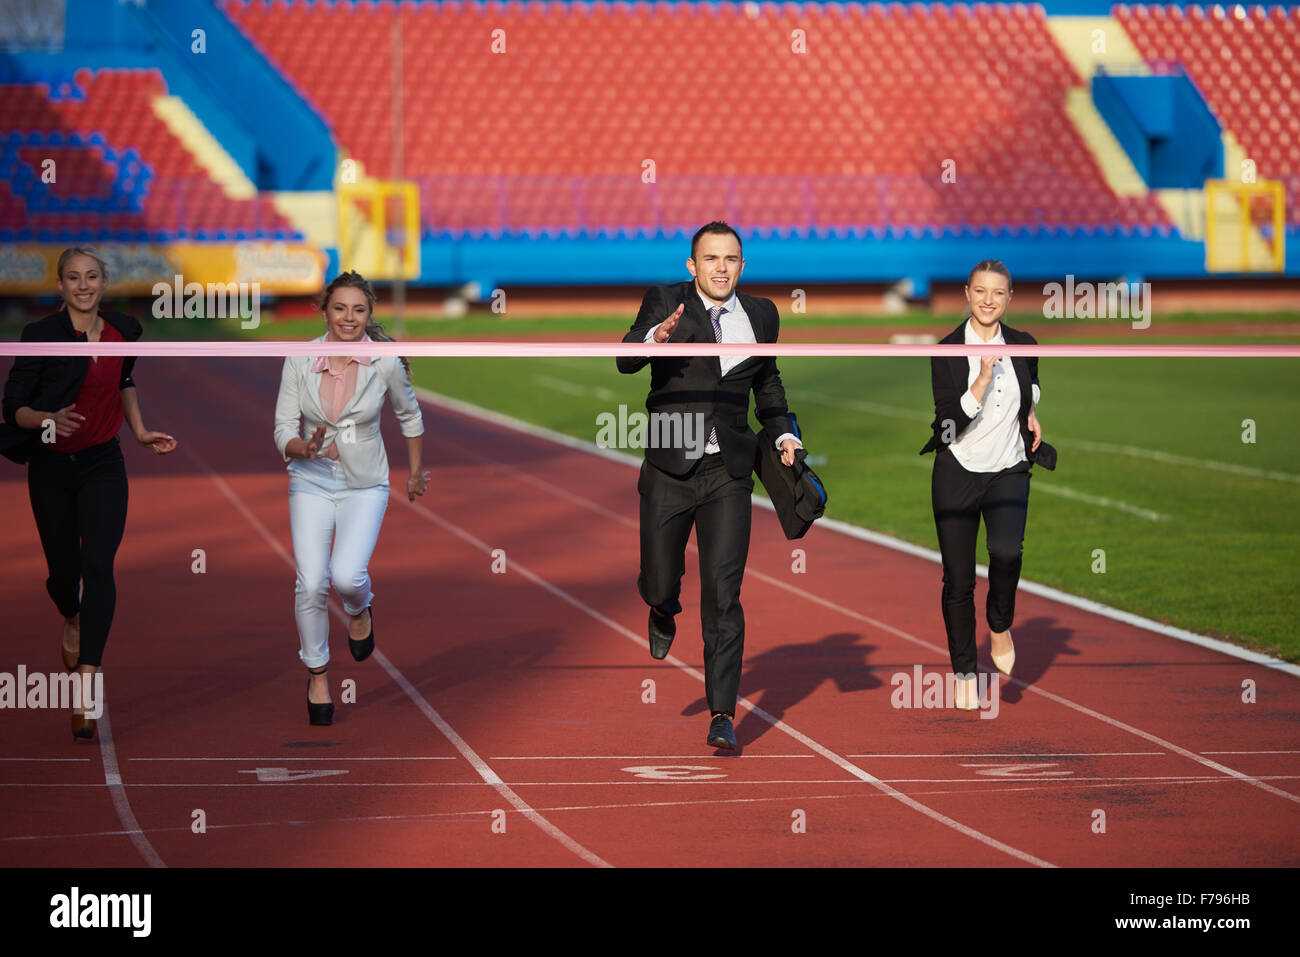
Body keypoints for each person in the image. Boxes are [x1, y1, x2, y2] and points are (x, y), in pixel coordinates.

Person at [618, 222, 803, 750]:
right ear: (692, 266)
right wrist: (656, 337)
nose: (722, 267)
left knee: (724, 596)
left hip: (729, 474)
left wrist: (785, 434)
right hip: (670, 466)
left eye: (732, 258)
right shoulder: (667, 300)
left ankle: (723, 712)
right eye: (711, 258)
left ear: (742, 265)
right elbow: (626, 359)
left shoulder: (762, 314)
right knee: (658, 579)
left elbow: (768, 385)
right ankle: (660, 606)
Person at [1, 246, 177, 740]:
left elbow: (125, 380)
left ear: (104, 282)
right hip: (51, 466)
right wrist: (46, 419)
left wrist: (139, 431)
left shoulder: (123, 332)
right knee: (64, 576)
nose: (83, 285)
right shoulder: (40, 335)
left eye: (92, 277)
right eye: (73, 278)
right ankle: (71, 615)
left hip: (103, 463)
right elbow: (12, 406)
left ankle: (86, 683)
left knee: (99, 566)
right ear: (60, 285)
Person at [273, 270, 428, 726]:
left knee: (346, 576)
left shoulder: (383, 362)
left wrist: (415, 472)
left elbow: (410, 415)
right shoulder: (300, 359)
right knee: (311, 581)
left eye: (358, 310)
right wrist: (303, 446)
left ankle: (360, 607)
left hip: (365, 482)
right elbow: (283, 427)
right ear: (324, 311)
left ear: (369, 314)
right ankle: (317, 673)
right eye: (340, 308)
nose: (349, 318)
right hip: (311, 479)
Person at [920, 259, 1052, 709]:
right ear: (967, 293)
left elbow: (1029, 390)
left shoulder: (1024, 344)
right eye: (980, 292)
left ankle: (999, 624)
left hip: (1008, 468)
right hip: (957, 469)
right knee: (958, 580)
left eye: (998, 293)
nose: (988, 300)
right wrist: (977, 386)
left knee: (1007, 552)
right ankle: (962, 670)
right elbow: (945, 425)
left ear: (1010, 297)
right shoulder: (946, 350)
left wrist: (1031, 415)